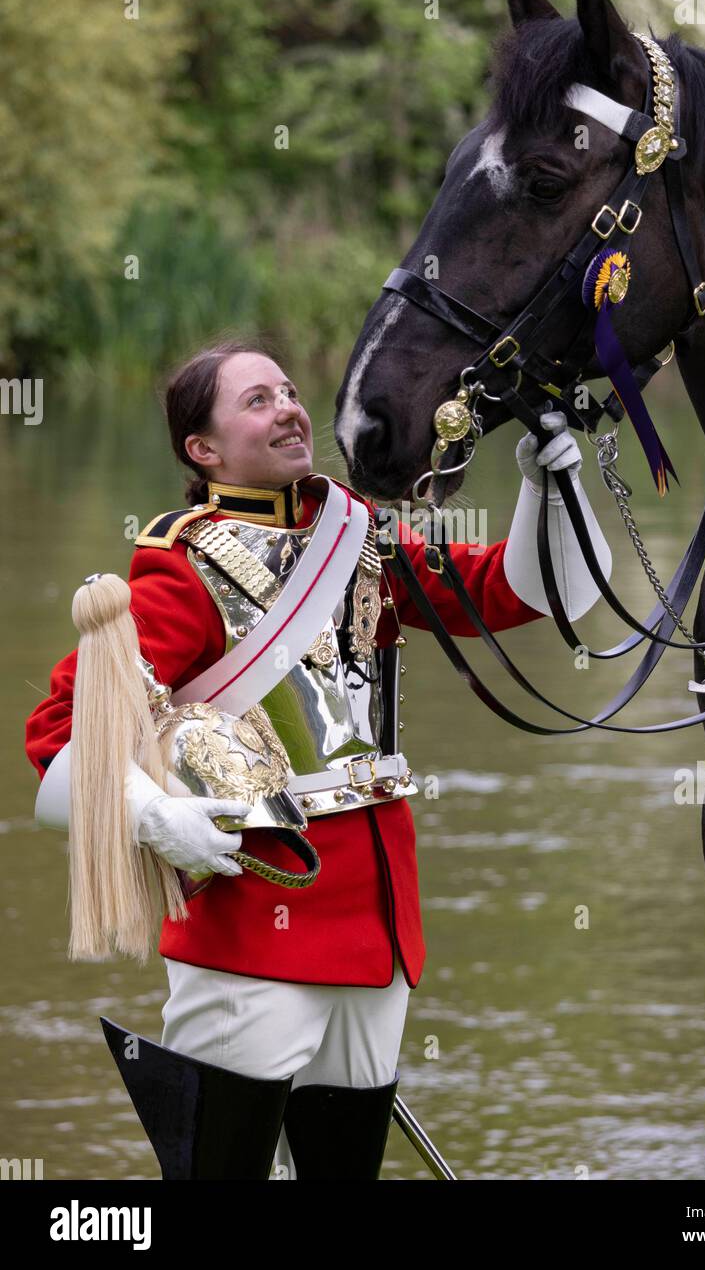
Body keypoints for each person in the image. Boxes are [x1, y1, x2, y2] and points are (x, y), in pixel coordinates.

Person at [24, 334, 612, 1180]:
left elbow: (510, 595)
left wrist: (549, 480)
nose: (289, 408)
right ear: (204, 448)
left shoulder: (356, 532)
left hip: (376, 927)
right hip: (256, 923)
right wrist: (155, 818)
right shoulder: (181, 569)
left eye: (290, 391)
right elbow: (58, 734)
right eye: (256, 400)